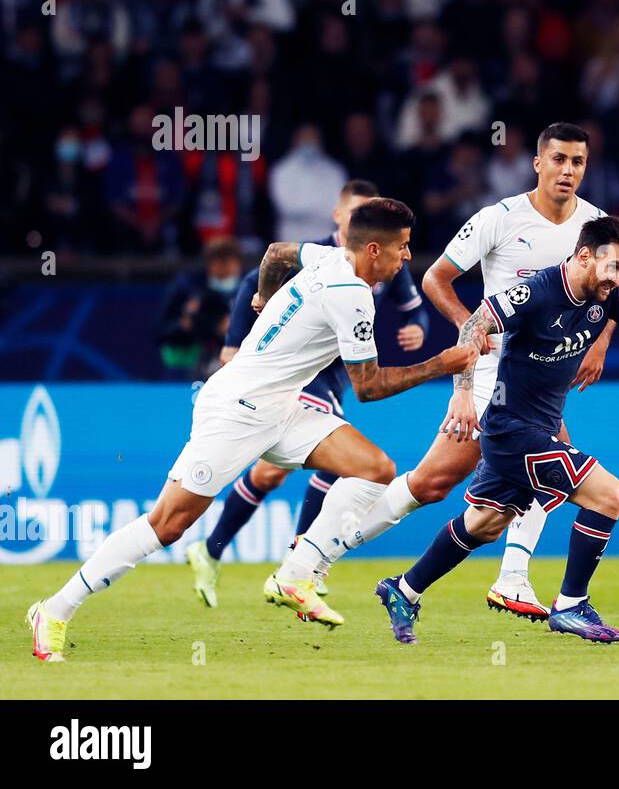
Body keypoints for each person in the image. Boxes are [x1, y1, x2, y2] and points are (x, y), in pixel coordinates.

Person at [27, 199, 484, 660]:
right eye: (402, 247)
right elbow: (367, 387)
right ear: (372, 249)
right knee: (168, 523)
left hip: (281, 407)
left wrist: (265, 298)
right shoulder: (352, 293)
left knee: (374, 468)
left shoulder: (327, 256)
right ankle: (55, 609)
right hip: (236, 411)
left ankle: (297, 573)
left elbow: (275, 253)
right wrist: (439, 364)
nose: (407, 257)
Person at [269, 122, 611, 622]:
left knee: (453, 484)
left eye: (577, 161)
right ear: (537, 163)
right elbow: (436, 278)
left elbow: (613, 289)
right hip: (495, 377)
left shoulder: (595, 225)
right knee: (457, 480)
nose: (568, 170)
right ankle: (314, 560)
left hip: (542, 379)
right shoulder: (500, 218)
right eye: (558, 159)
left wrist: (600, 341)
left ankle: (318, 562)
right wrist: (470, 337)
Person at [373, 216, 619, 644]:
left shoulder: (610, 292)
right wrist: (461, 393)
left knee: (486, 523)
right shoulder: (537, 291)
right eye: (613, 267)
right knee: (608, 495)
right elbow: (473, 325)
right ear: (585, 256)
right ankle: (570, 605)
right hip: (511, 429)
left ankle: (403, 589)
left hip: (536, 428)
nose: (618, 278)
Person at [185, 179, 428, 606]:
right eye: (356, 210)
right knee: (338, 463)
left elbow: (413, 307)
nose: (404, 253)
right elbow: (256, 275)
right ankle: (300, 565)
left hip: (333, 371)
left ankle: (215, 549)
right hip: (300, 372)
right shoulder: (323, 254)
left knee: (272, 472)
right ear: (340, 217)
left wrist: (417, 328)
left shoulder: (390, 259)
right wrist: (237, 337)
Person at [156, 236, 243, 377]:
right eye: (222, 266)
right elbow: (159, 330)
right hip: (184, 363)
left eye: (231, 265)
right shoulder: (185, 288)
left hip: (233, 362)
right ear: (211, 265)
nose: (228, 272)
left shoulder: (248, 290)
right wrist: (185, 323)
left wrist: (236, 328)